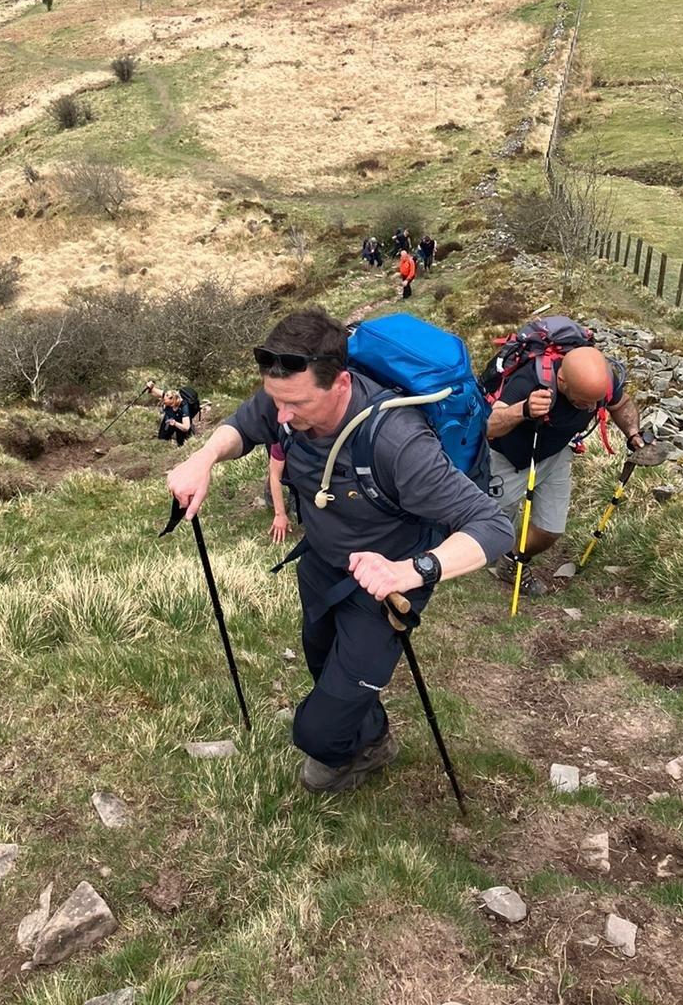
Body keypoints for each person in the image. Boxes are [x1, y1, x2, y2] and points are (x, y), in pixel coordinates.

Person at [167, 308, 512, 795]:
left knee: (316, 733)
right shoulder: (287, 396)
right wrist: (202, 458)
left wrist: (413, 572)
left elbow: (493, 526)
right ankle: (364, 731)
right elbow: (244, 426)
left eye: (296, 405)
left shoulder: (397, 441)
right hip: (321, 563)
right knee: (319, 659)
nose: (282, 417)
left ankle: (356, 744)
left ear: (342, 384)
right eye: (276, 401)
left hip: (385, 586)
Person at [486, 341, 649, 594]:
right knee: (490, 528)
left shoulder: (602, 382)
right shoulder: (529, 380)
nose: (592, 408)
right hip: (508, 457)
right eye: (583, 402)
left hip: (555, 454)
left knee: (550, 529)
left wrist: (633, 434)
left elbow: (621, 404)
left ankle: (513, 561)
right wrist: (524, 410)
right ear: (562, 381)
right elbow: (489, 425)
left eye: (596, 403)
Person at [147, 382, 197, 447]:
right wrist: (151, 387)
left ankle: (189, 431)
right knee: (162, 439)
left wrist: (175, 423)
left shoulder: (184, 407)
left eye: (165, 401)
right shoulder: (169, 396)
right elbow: (157, 391)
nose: (163, 401)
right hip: (170, 418)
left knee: (181, 443)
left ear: (172, 400)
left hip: (180, 422)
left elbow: (186, 427)